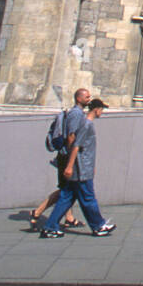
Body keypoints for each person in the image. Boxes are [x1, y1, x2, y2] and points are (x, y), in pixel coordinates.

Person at [39, 99, 115, 237]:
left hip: (81, 167)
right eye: (101, 110)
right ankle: (98, 225)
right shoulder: (87, 125)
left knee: (66, 198)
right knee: (88, 198)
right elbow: (76, 145)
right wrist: (69, 166)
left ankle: (50, 227)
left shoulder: (85, 124)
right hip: (81, 169)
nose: (102, 113)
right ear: (96, 109)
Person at [31, 87, 92, 230]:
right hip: (67, 156)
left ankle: (69, 218)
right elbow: (72, 137)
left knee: (67, 188)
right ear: (79, 98)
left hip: (66, 156)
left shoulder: (77, 113)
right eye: (87, 97)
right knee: (66, 190)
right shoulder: (76, 114)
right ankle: (37, 212)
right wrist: (72, 159)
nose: (89, 99)